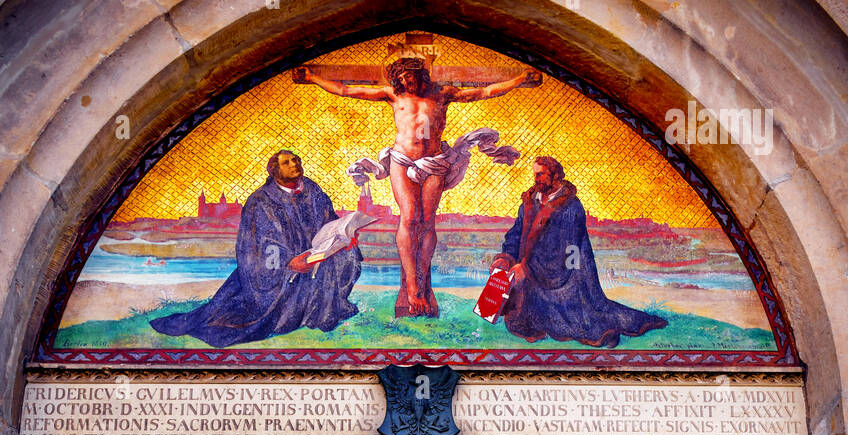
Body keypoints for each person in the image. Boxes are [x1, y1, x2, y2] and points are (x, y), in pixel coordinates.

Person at [296, 49, 535, 317]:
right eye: (401, 78)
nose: (405, 82)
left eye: (408, 76)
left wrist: (519, 79)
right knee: (409, 219)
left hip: (434, 162)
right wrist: (314, 78)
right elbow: (346, 90)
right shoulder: (394, 95)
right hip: (402, 160)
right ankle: (412, 286)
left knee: (426, 221)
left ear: (419, 74)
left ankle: (422, 282)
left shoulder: (442, 94)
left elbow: (485, 92)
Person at [151, 151, 361, 346]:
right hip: (276, 269)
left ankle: (323, 311)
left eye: (296, 160)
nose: (294, 164)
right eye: (286, 163)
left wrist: (344, 234)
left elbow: (328, 219)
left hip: (315, 254)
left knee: (349, 255)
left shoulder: (312, 189)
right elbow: (260, 244)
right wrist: (290, 261)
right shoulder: (260, 201)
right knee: (248, 314)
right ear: (274, 171)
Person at [491, 156, 668, 346]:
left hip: (567, 274)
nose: (536, 179)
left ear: (555, 175)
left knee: (580, 323)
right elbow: (516, 234)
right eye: (534, 174)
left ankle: (608, 332)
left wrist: (527, 268)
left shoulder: (570, 206)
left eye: (540, 174)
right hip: (532, 271)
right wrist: (506, 259)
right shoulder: (529, 203)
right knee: (519, 316)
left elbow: (567, 247)